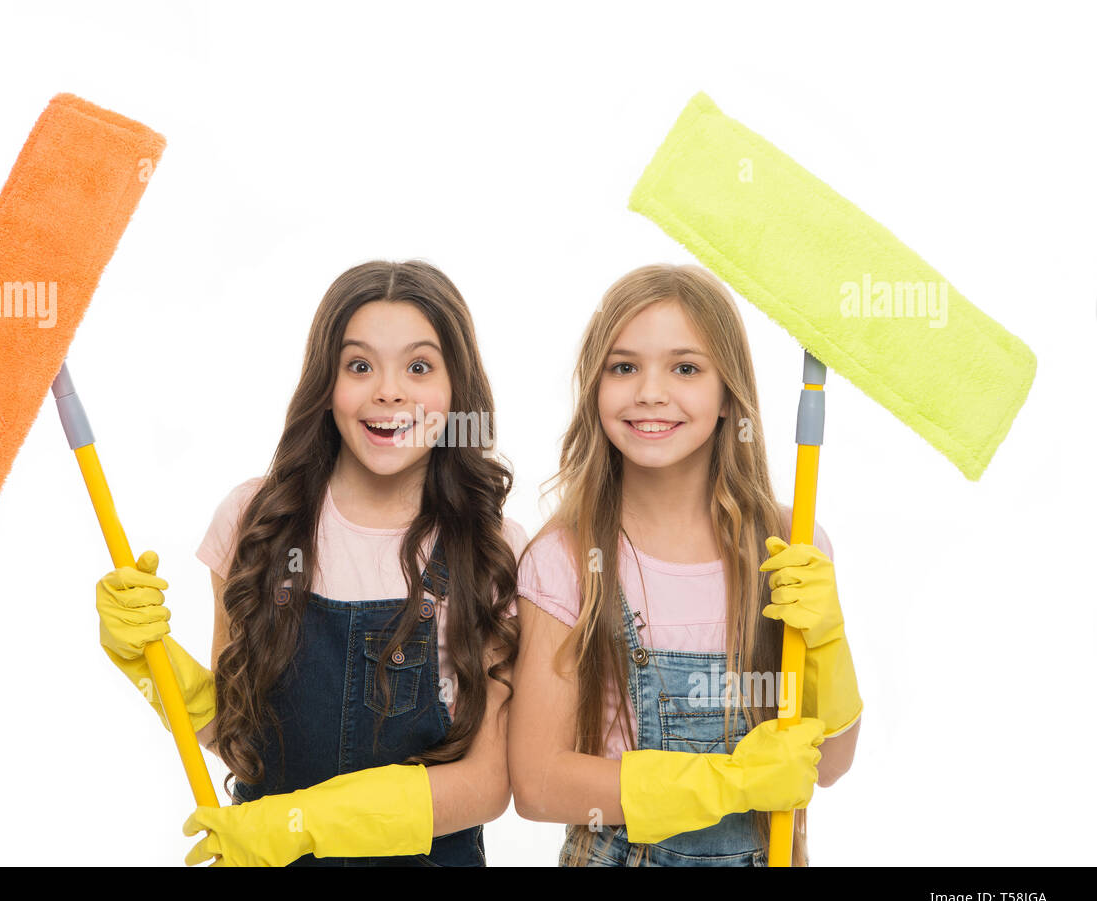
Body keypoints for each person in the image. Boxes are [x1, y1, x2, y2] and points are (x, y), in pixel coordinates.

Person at [96, 259, 527, 866]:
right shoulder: (257, 520)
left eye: (419, 366)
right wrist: (147, 661)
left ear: (458, 390)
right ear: (326, 384)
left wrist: (304, 822)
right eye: (359, 365)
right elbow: (238, 733)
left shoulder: (492, 547)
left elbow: (486, 785)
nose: (389, 390)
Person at [508, 263, 862, 866]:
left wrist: (827, 642)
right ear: (595, 387)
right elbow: (538, 785)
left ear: (729, 396)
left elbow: (829, 765)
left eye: (686, 368)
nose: (650, 391)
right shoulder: (568, 558)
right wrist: (727, 782)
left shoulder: (788, 544)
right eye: (624, 367)